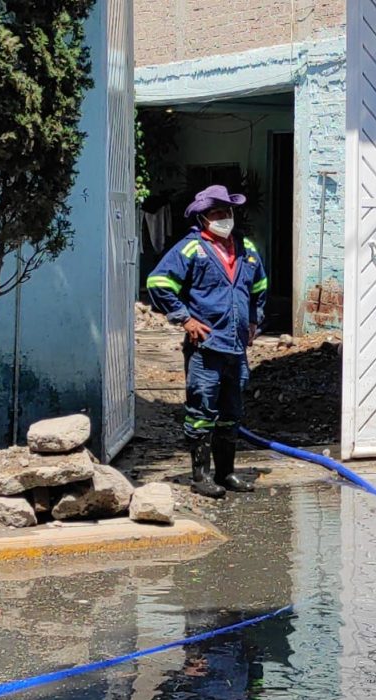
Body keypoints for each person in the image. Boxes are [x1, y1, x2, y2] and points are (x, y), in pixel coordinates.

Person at [146, 185, 268, 499]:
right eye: (216, 213)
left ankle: (226, 473)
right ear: (203, 218)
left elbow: (260, 286)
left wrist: (255, 319)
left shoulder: (246, 249)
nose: (223, 218)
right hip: (206, 347)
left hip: (236, 347)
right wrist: (184, 318)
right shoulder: (192, 249)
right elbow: (158, 282)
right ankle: (201, 476)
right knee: (201, 411)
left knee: (231, 413)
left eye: (226, 212)